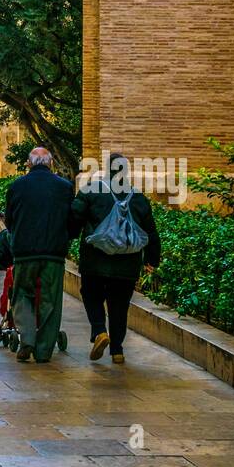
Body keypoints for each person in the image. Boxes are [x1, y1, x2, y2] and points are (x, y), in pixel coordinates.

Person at [70, 152, 161, 364]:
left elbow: (75, 217)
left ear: (107, 168)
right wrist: (151, 260)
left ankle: (100, 331)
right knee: (120, 304)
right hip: (127, 265)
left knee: (91, 294)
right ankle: (118, 350)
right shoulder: (138, 197)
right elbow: (151, 233)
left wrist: (71, 236)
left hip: (94, 261)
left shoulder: (92, 191)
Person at [3, 147, 74, 364]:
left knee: (22, 294)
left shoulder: (17, 186)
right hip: (54, 252)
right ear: (51, 163)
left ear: (29, 163)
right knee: (50, 301)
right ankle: (44, 351)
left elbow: (10, 220)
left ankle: (27, 339)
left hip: (24, 252)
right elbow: (72, 219)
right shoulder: (65, 187)